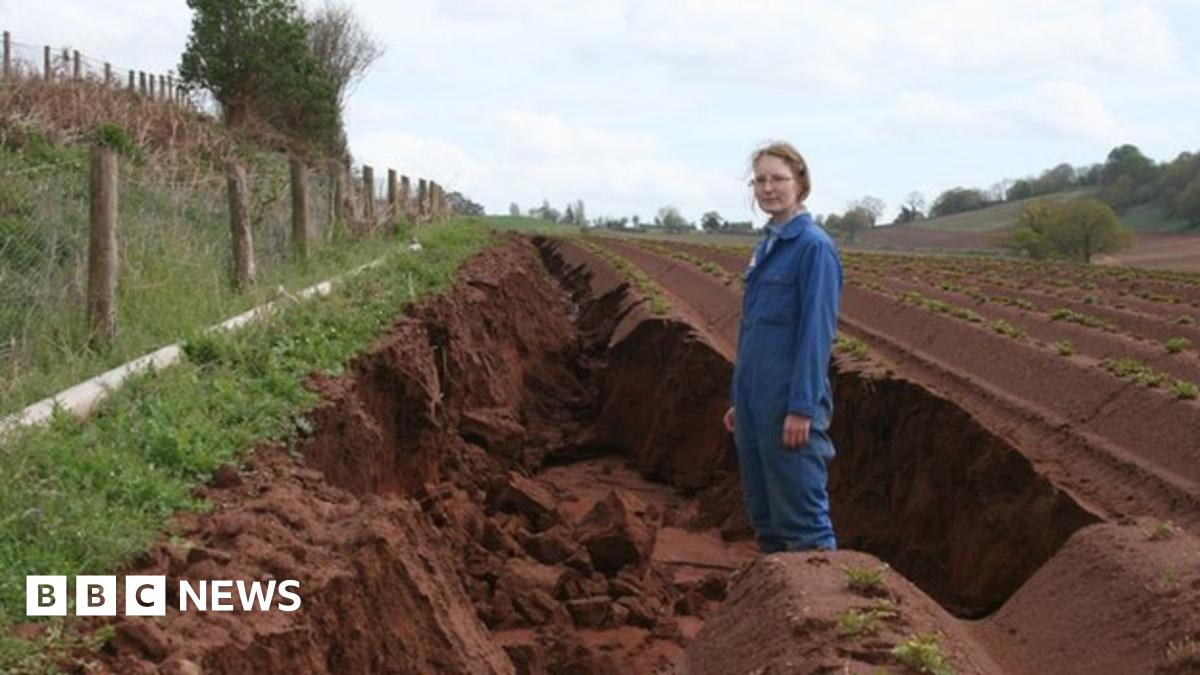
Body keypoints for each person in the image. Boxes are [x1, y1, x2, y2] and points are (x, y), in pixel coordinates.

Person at [723, 141, 842, 553]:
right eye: (760, 180)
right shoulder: (768, 245)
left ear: (800, 182)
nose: (768, 188)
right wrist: (740, 399)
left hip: (788, 405)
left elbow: (816, 335)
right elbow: (754, 331)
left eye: (778, 179)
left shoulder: (813, 247)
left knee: (803, 523)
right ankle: (777, 593)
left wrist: (802, 408)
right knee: (766, 518)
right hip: (754, 402)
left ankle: (820, 593)